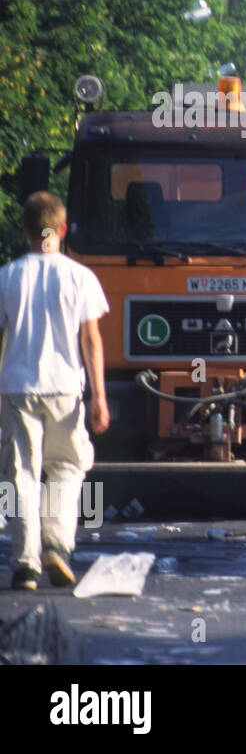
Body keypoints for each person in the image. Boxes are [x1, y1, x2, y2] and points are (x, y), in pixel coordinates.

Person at [0, 192, 109, 590]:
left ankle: (25, 565)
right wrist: (99, 396)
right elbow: (92, 341)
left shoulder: (7, 276)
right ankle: (56, 544)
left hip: (17, 388)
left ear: (25, 229)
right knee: (68, 466)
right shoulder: (81, 277)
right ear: (62, 230)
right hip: (65, 389)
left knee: (21, 475)